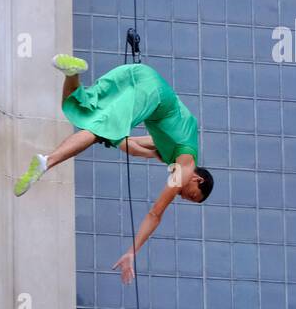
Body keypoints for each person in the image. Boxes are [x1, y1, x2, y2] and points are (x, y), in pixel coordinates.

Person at [14, 55, 214, 283]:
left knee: (84, 108)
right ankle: (46, 162)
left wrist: (123, 143)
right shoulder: (185, 167)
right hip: (152, 92)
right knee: (102, 128)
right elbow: (155, 213)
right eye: (190, 195)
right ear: (197, 179)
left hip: (136, 74)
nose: (181, 196)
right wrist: (132, 252)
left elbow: (130, 144)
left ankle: (72, 73)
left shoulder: (175, 146)